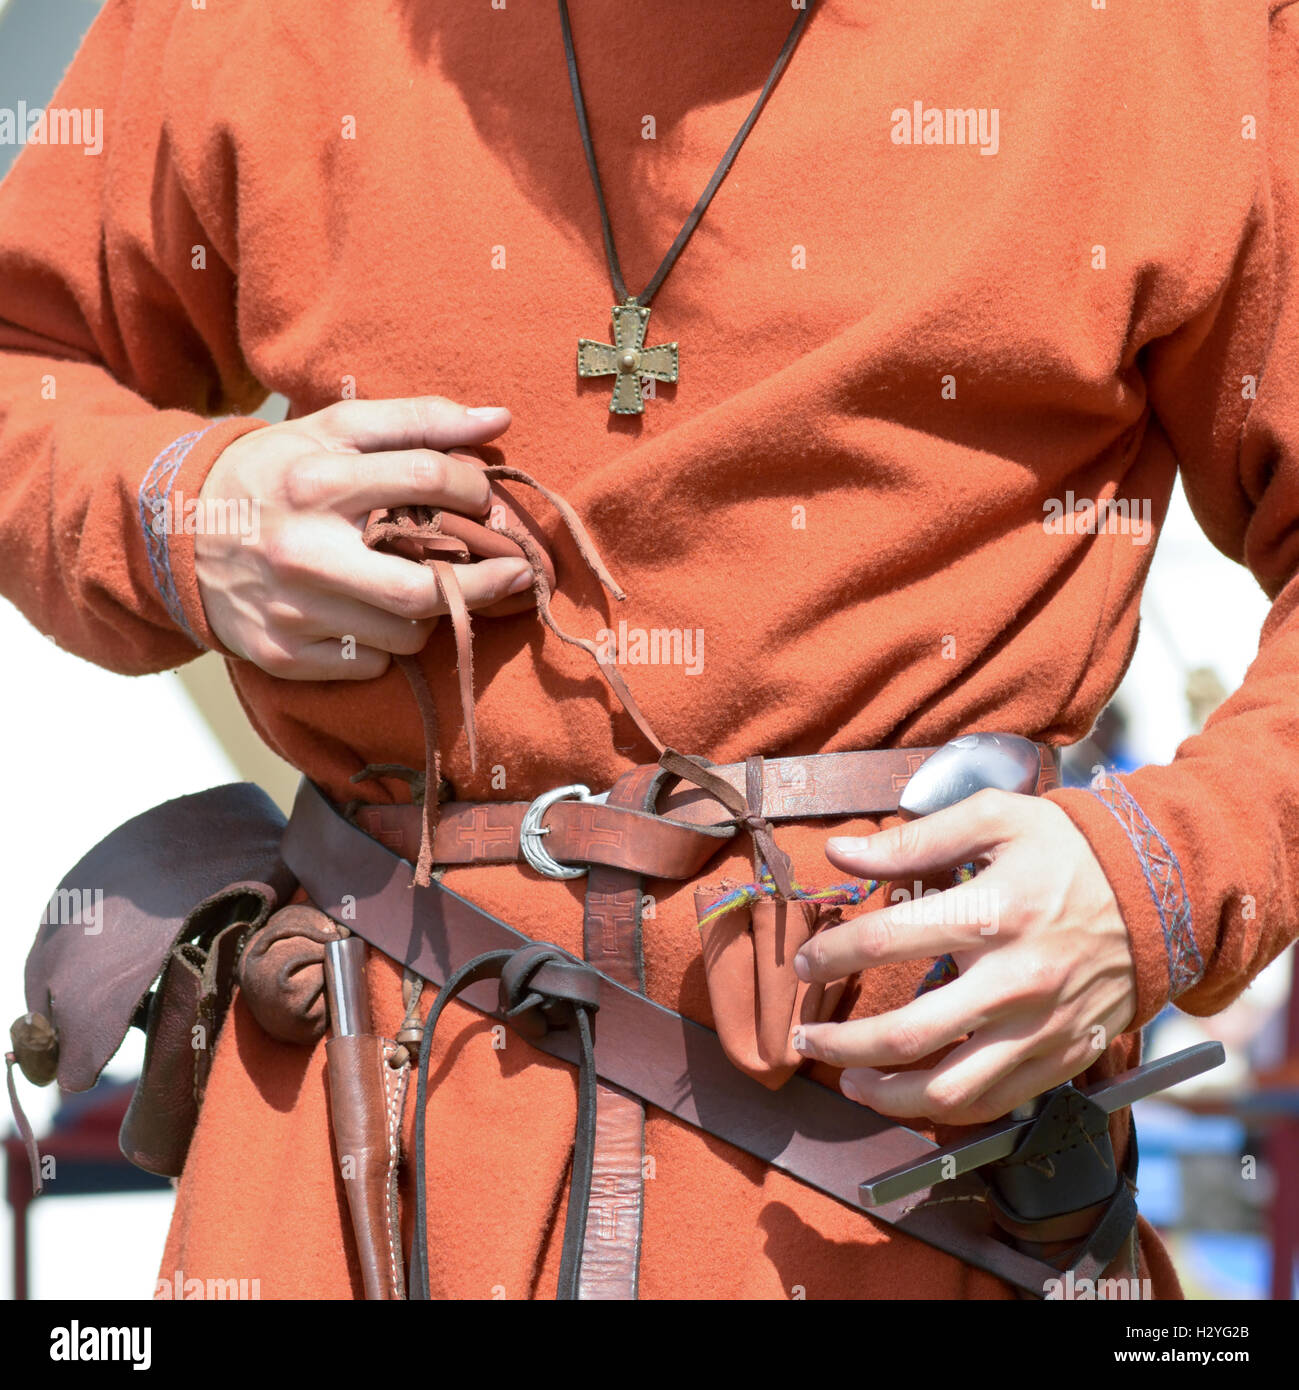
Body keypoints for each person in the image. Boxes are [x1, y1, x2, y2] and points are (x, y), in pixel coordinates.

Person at [1, 0, 1296, 1301]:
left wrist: (1158, 876)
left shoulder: (1174, 31)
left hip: (913, 1195)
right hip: (349, 1178)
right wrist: (181, 514)